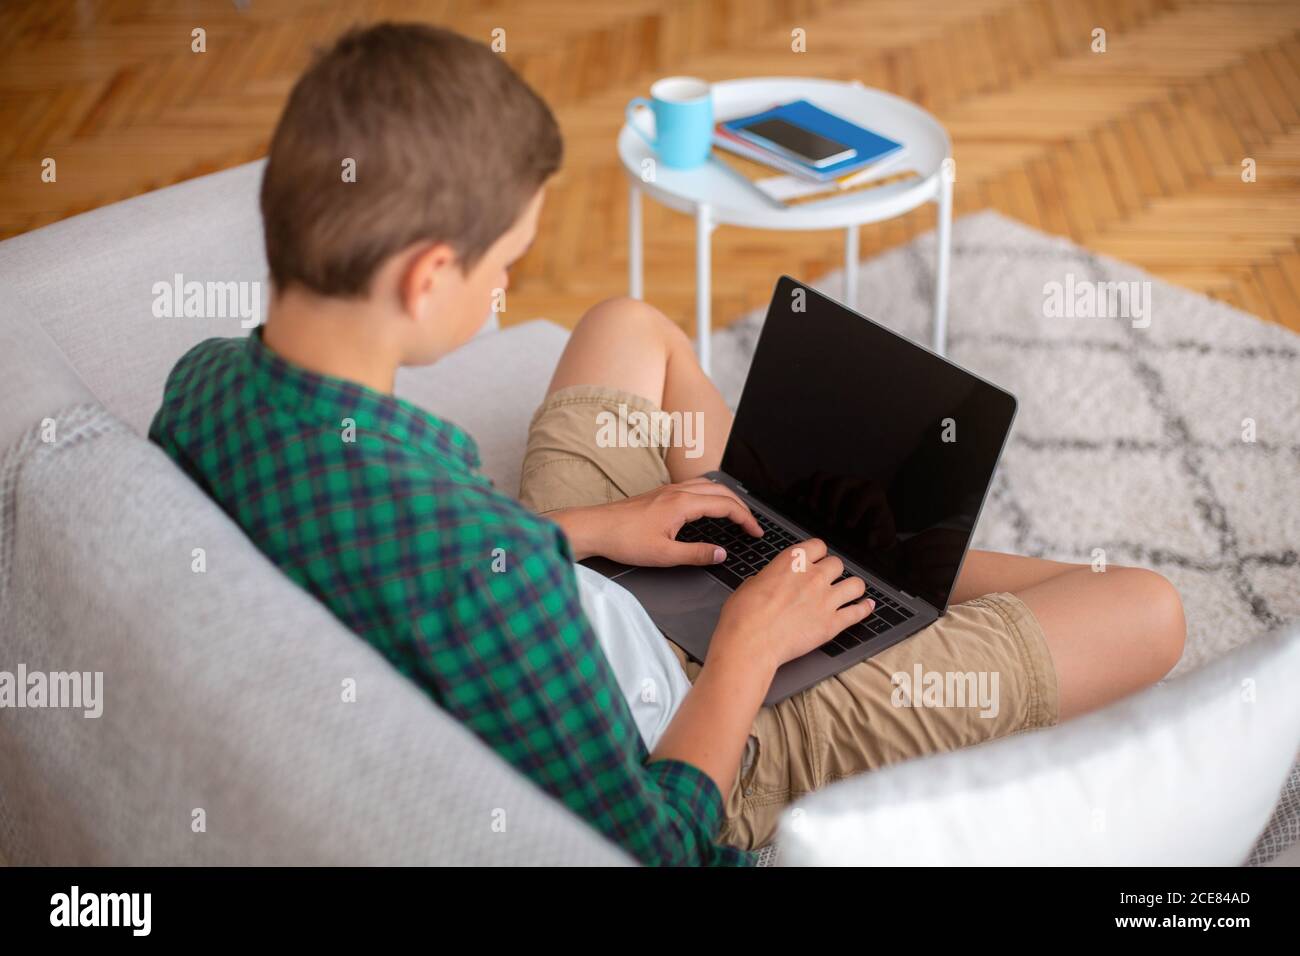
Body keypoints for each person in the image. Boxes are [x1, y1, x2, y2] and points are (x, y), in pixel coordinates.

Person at [150, 22, 1185, 866]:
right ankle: (868, 571)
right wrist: (745, 647)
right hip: (703, 724)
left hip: (581, 587)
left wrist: (601, 526)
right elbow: (657, 842)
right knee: (1149, 606)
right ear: (427, 276)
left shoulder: (204, 389)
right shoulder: (479, 574)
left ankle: (796, 538)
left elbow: (422, 543)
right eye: (506, 262)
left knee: (627, 323)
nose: (507, 288)